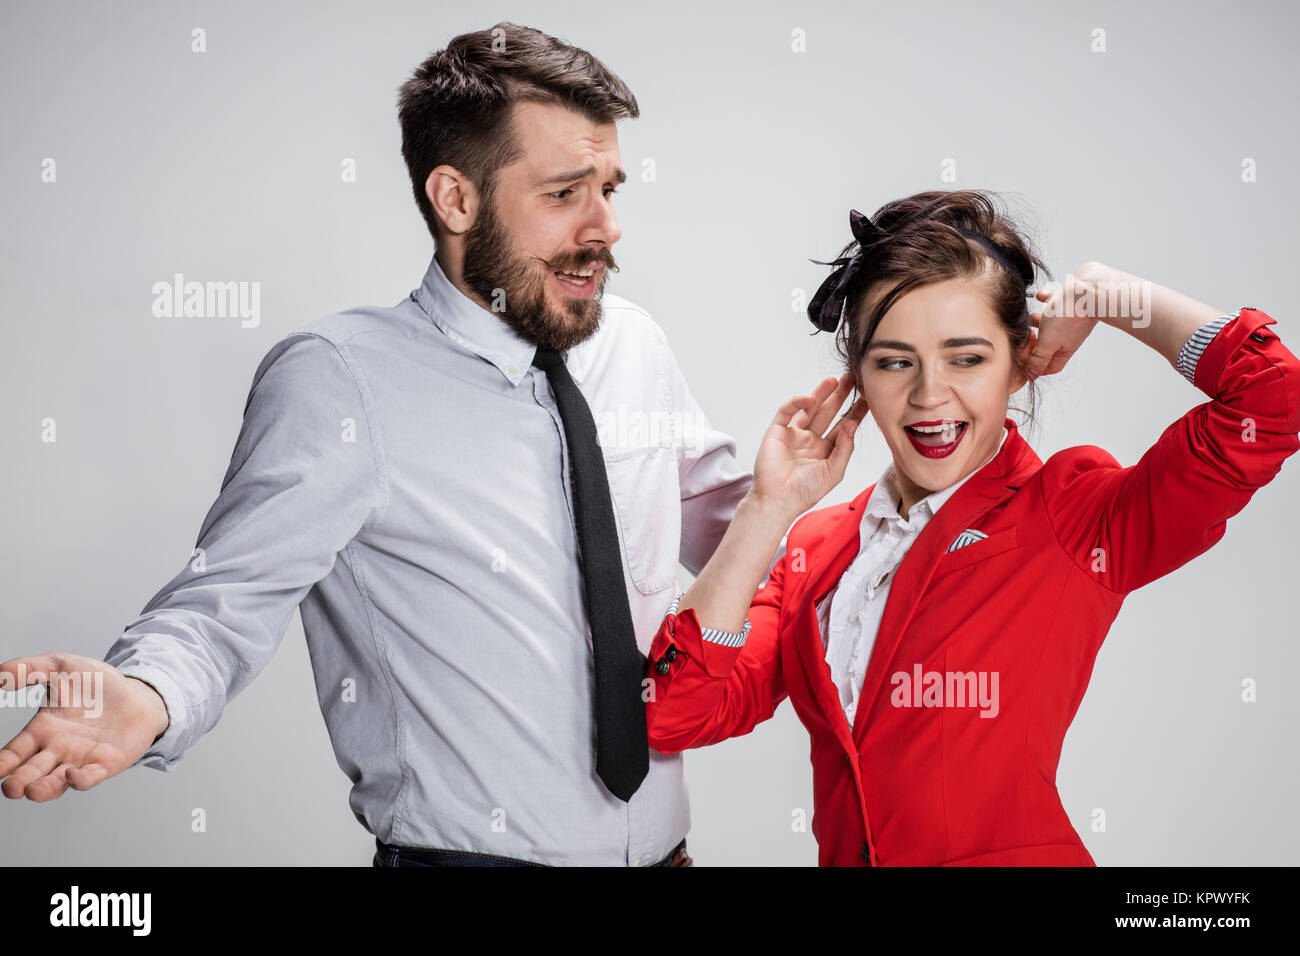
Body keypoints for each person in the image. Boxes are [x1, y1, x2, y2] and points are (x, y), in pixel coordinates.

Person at [0, 22, 751, 867]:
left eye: (609, 188)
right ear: (455, 199)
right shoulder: (339, 381)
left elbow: (749, 535)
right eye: (563, 193)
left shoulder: (634, 345)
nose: (606, 226)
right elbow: (223, 604)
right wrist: (146, 693)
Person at [641, 188, 1300, 866]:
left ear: (1022, 363)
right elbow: (674, 713)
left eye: (967, 358)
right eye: (896, 361)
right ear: (858, 377)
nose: (930, 395)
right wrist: (765, 511)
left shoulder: (1070, 516)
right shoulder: (816, 548)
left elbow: (1272, 395)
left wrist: (1108, 294)